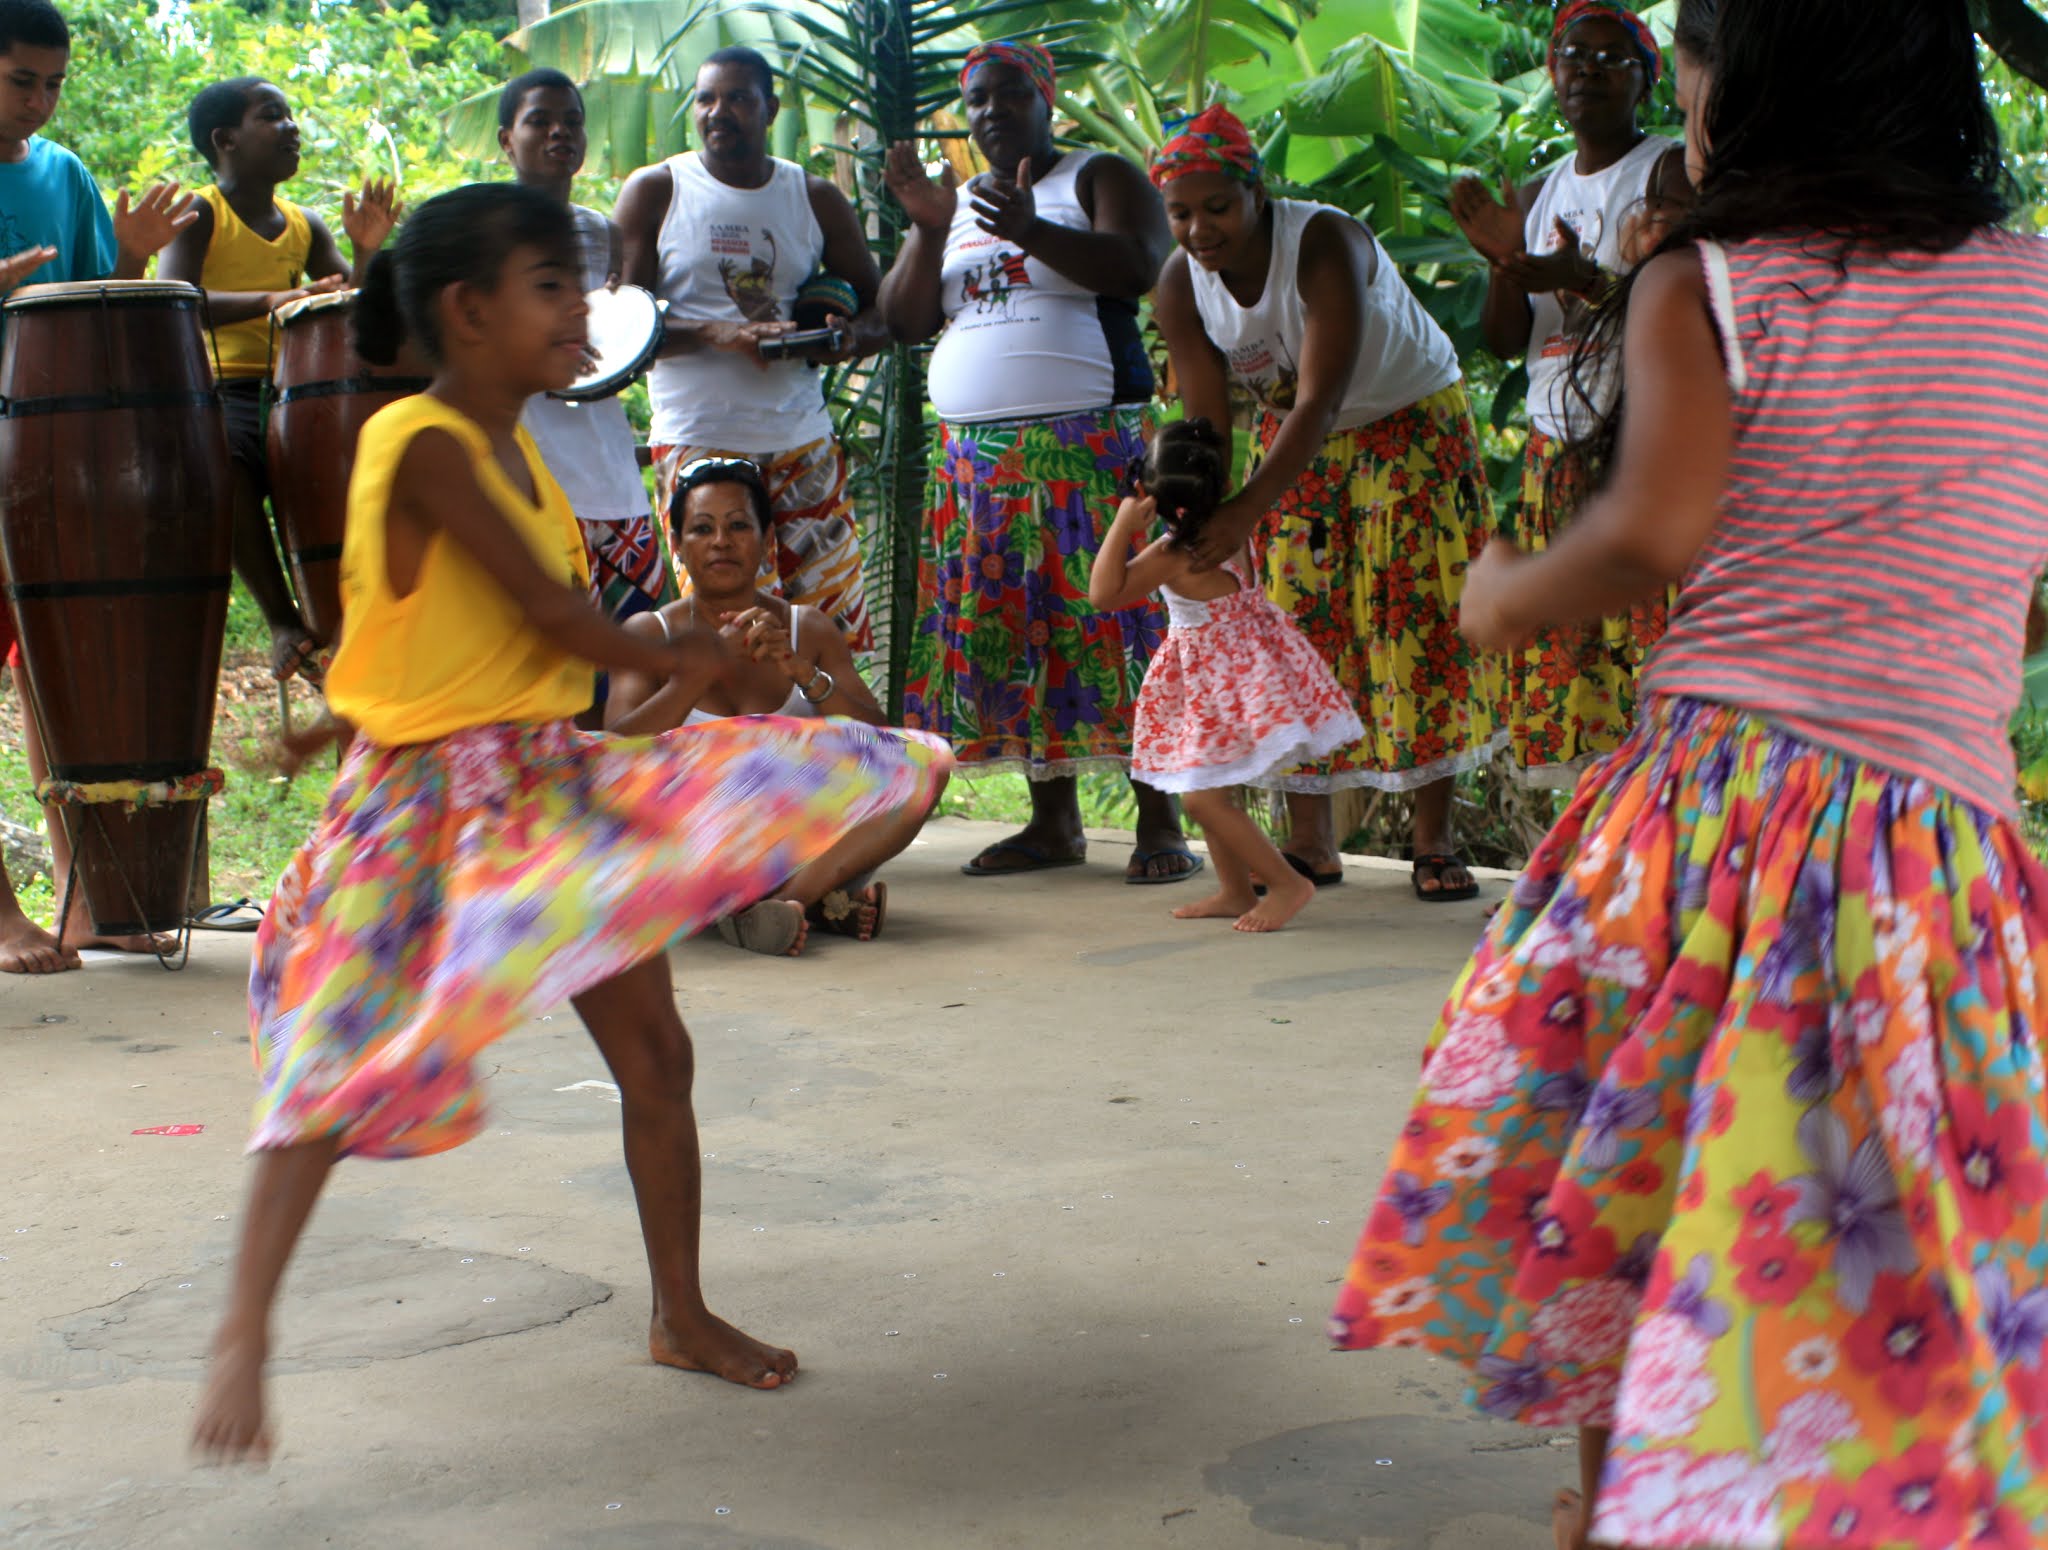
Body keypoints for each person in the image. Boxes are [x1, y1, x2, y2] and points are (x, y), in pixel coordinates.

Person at [1330, 3, 2048, 1547]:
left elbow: (1653, 533)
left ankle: (1622, 1511)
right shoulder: (2035, 287)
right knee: (1895, 1235)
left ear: (1744, 88)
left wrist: (1504, 592)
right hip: (1941, 852)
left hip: (1721, 831)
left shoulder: (1703, 281)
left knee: (1640, 1197)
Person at [189, 184, 952, 1463]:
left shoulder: (521, 447)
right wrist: (701, 637)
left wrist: (355, 701)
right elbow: (553, 627)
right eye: (548, 284)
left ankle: (678, 1310)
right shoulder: (423, 438)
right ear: (467, 310)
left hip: (542, 784)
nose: (573, 309)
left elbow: (453, 632)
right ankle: (240, 1333)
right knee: (341, 1065)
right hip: (428, 808)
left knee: (657, 1057)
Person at [1152, 105, 1500, 903]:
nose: (1199, 229)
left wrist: (1248, 510)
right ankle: (1310, 843)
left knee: (1413, 618)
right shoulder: (1181, 283)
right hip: (1296, 443)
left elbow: (1322, 395)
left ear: (1256, 191)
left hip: (1404, 422)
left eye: (1217, 208)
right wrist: (1197, 513)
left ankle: (1433, 841)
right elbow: (1207, 421)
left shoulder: (1322, 242)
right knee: (1294, 625)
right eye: (1180, 212)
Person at [881, 40, 1201, 885]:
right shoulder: (953, 206)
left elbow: (1141, 268)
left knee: (1121, 625)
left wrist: (1031, 229)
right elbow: (906, 321)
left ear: (1046, 97)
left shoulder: (1096, 176)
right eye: (977, 100)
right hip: (979, 464)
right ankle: (1051, 820)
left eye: (1010, 93)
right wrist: (924, 226)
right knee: (1015, 629)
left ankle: (1160, 817)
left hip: (1087, 448)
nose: (992, 111)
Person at [0, 0, 197, 973]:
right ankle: (3, 913)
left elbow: (89, 310)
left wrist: (126, 257)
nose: (38, 102)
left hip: (48, 464)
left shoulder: (65, 175)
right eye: (19, 80)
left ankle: (87, 901)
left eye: (52, 83)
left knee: (55, 674)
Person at [1448, 0, 1689, 788]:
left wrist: (1580, 276)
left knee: (1652, 659)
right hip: (1556, 450)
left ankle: (1672, 838)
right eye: (1571, 55)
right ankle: (1594, 858)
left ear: (1646, 80)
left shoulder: (1666, 168)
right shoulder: (1538, 189)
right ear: (1552, 75)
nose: (1585, 69)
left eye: (1609, 58)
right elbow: (1501, 340)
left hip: (1639, 447)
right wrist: (1503, 260)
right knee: (1575, 670)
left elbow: (1681, 295)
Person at [607, 455, 941, 956]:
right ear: (677, 545)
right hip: (698, 851)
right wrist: (703, 669)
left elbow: (885, 744)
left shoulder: (810, 629)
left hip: (802, 844)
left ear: (766, 543)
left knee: (927, 761)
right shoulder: (648, 635)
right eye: (702, 528)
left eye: (739, 525)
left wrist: (804, 672)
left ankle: (786, 903)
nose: (721, 541)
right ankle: (820, 902)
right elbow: (614, 758)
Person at [614, 44, 885, 653]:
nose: (718, 111)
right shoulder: (658, 190)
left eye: (737, 97)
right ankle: (739, 750)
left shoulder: (812, 196)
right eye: (706, 98)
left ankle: (827, 750)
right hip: (699, 441)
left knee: (828, 627)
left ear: (770, 108)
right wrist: (717, 335)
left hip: (801, 440)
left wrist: (841, 337)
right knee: (729, 637)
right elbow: (622, 328)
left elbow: (879, 309)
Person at [159, 77, 401, 685]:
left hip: (304, 387)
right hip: (228, 388)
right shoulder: (197, 214)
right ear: (226, 141)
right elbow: (178, 299)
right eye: (272, 116)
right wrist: (276, 297)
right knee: (227, 461)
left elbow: (355, 300)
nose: (292, 127)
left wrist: (366, 252)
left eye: (291, 115)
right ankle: (282, 620)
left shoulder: (307, 225)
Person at [1088, 419, 1360, 933]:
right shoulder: (1230, 530)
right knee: (1209, 782)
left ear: (1144, 492)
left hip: (1220, 684)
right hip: (1238, 679)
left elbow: (1104, 594)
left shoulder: (1174, 554)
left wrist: (1123, 524)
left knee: (1202, 797)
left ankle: (1285, 883)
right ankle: (1236, 890)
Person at [498, 66, 672, 697]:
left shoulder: (602, 231)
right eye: (538, 120)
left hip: (611, 482)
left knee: (633, 673)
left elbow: (617, 338)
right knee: (547, 680)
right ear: (504, 140)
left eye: (571, 121)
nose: (558, 133)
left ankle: (618, 793)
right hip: (530, 482)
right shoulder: (480, 231)